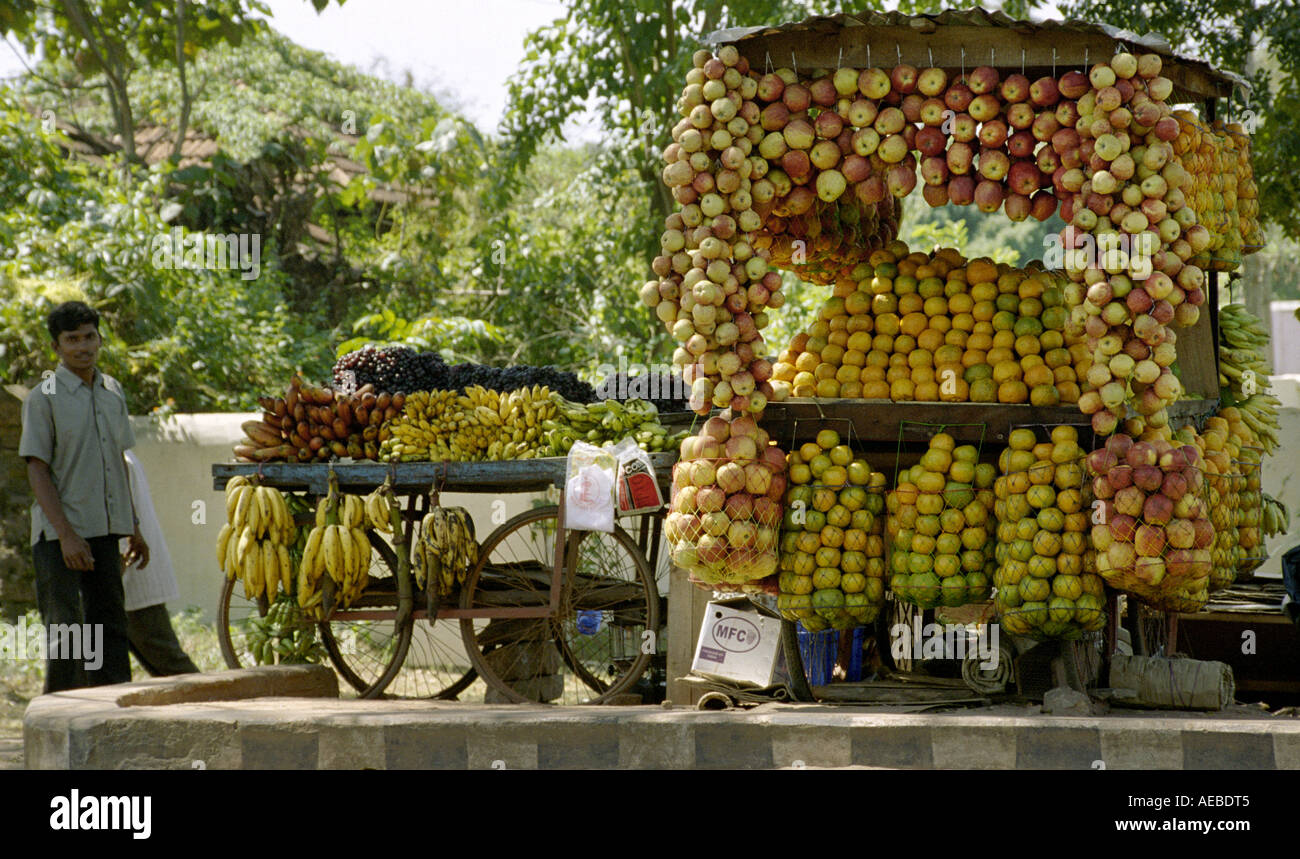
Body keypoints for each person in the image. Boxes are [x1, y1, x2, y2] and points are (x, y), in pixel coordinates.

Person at [19, 301, 148, 693]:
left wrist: (134, 526)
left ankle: (111, 728)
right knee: (67, 636)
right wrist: (67, 535)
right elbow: (36, 469)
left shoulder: (113, 392)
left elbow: (119, 463)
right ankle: (57, 729)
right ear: (56, 347)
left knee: (110, 630)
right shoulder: (45, 397)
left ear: (100, 338)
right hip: (60, 536)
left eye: (89, 336)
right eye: (71, 339)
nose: (82, 346)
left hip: (106, 531)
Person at [121, 450, 200, 676]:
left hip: (133, 576)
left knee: (169, 663)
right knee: (161, 665)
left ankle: (220, 705)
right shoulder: (123, 457)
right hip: (131, 576)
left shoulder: (121, 462)